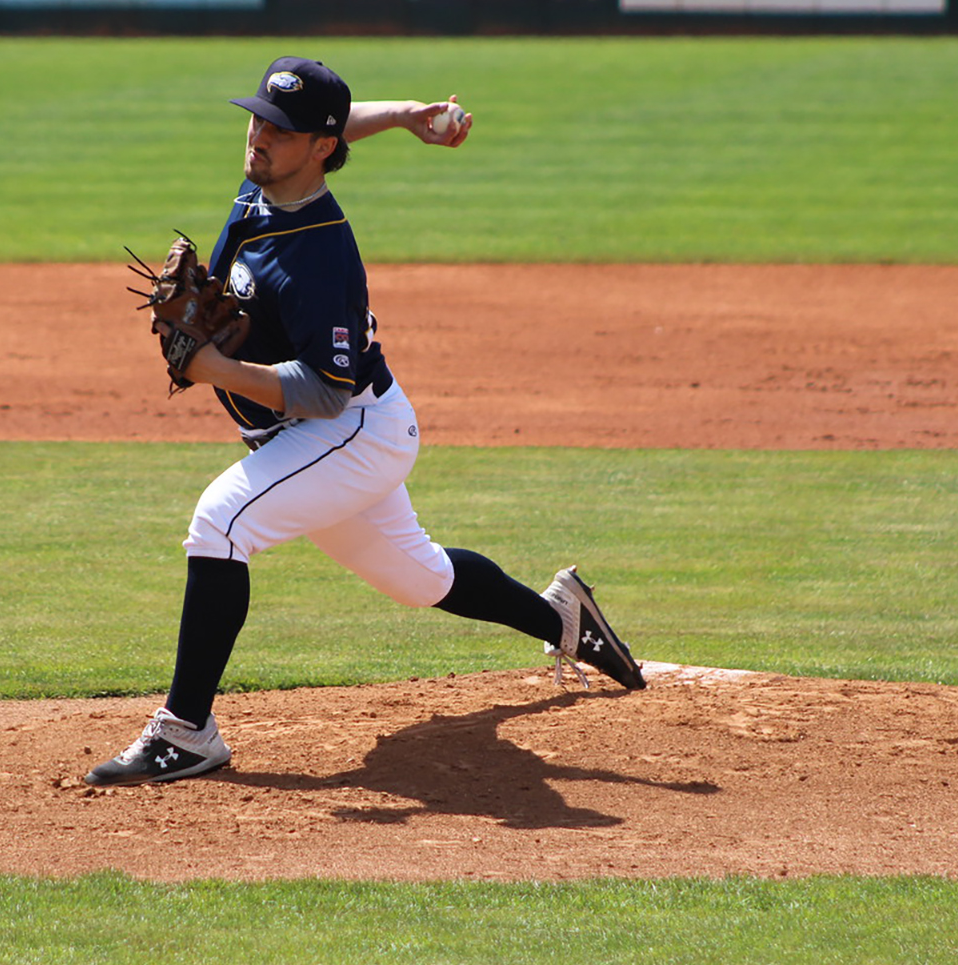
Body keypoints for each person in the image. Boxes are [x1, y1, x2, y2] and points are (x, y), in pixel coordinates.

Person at [86, 57, 645, 788]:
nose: (258, 137)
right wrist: (407, 114)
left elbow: (324, 391)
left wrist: (214, 369)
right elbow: (334, 124)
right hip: (309, 439)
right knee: (422, 578)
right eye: (258, 119)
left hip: (352, 432)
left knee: (220, 524)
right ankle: (564, 618)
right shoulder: (264, 185)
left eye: (279, 130)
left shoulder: (321, 255)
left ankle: (186, 733)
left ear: (318, 149)